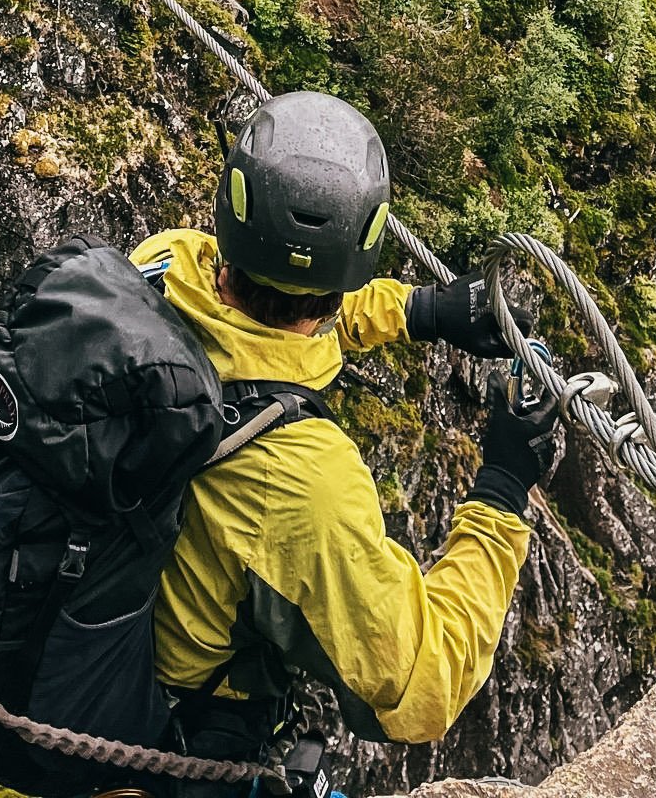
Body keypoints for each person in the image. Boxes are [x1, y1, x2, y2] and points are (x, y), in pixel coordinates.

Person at [131, 91, 559, 759]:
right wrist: (502, 492)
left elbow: (264, 331)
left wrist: (419, 310)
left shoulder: (162, 266)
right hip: (153, 744)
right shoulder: (302, 486)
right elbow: (426, 686)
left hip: (47, 665)